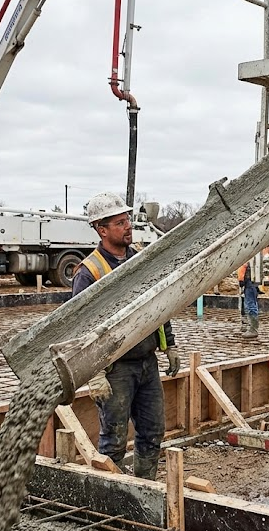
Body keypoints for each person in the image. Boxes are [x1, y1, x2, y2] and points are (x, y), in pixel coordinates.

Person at [73, 192, 181, 480]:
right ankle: (115, 498)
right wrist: (93, 374)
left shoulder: (142, 260)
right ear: (102, 229)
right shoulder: (90, 272)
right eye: (120, 222)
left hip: (146, 363)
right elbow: (81, 327)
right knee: (114, 439)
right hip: (115, 370)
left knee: (153, 432)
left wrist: (169, 344)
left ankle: (144, 487)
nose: (128, 226)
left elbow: (159, 306)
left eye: (128, 220)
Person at [237, 261, 259, 339]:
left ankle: (253, 329)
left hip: (249, 283)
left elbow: (242, 267)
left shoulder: (245, 259)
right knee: (250, 305)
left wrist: (241, 280)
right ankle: (250, 327)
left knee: (250, 306)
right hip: (251, 283)